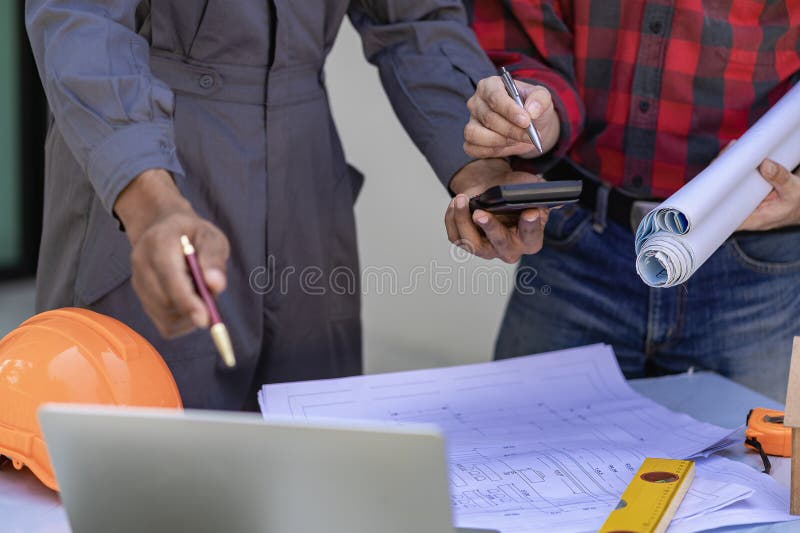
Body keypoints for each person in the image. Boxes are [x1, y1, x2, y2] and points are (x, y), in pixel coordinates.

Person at [26, 0, 546, 410]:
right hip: (153, 164)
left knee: (310, 453)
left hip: (306, 181)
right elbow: (81, 17)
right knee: (135, 459)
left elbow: (416, 19)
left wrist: (478, 160)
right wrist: (148, 201)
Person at [448, 1, 800, 400]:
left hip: (756, 267)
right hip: (578, 252)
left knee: (758, 460)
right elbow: (519, 31)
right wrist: (536, 112)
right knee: (518, 454)